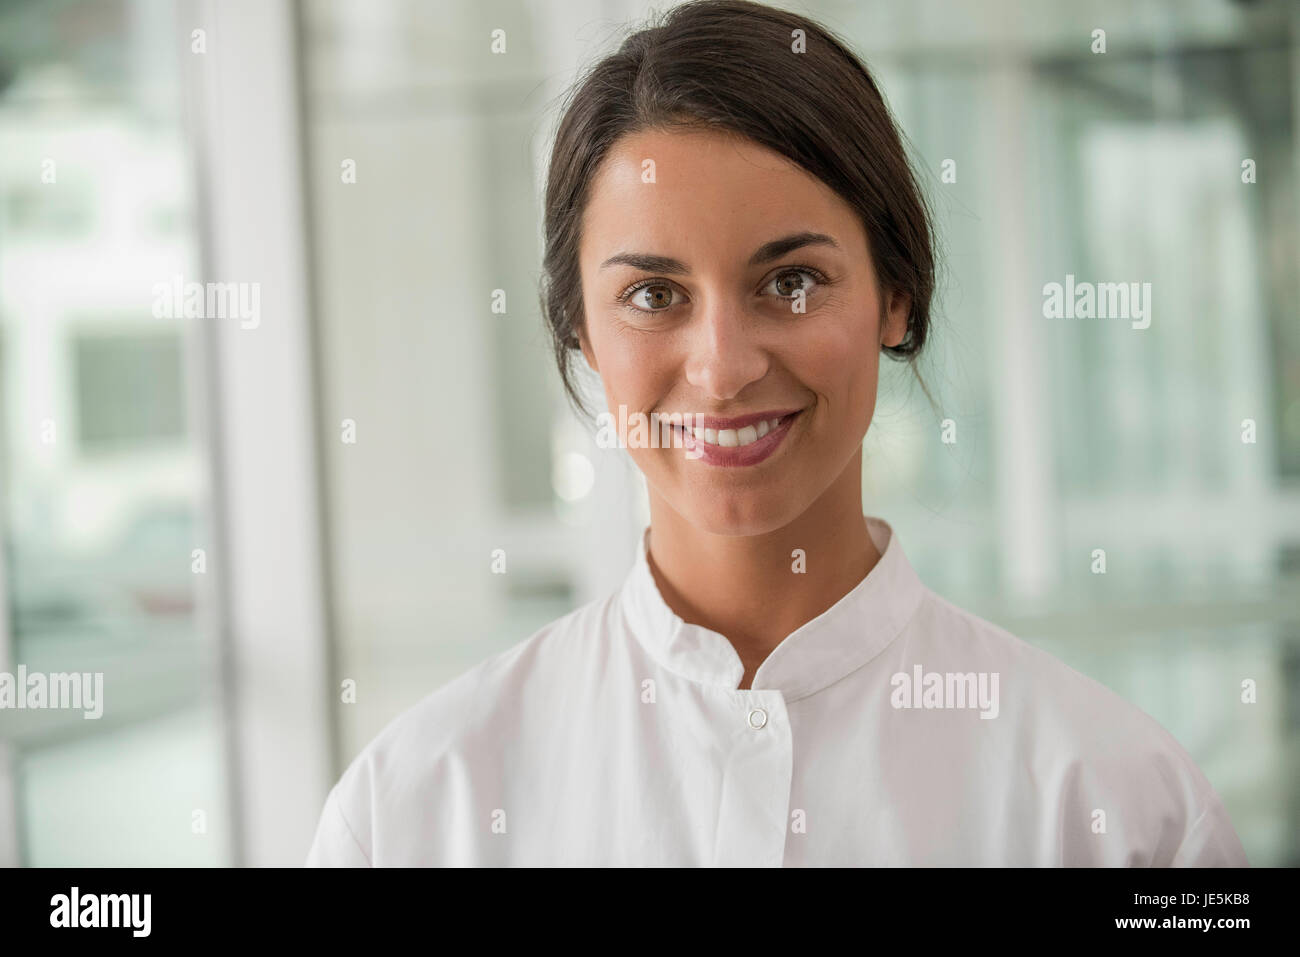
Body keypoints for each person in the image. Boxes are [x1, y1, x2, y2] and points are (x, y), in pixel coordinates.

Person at [305, 0, 1247, 866]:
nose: (722, 367)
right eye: (652, 295)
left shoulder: (1128, 815)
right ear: (581, 331)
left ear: (895, 293)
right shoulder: (410, 815)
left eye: (790, 281)